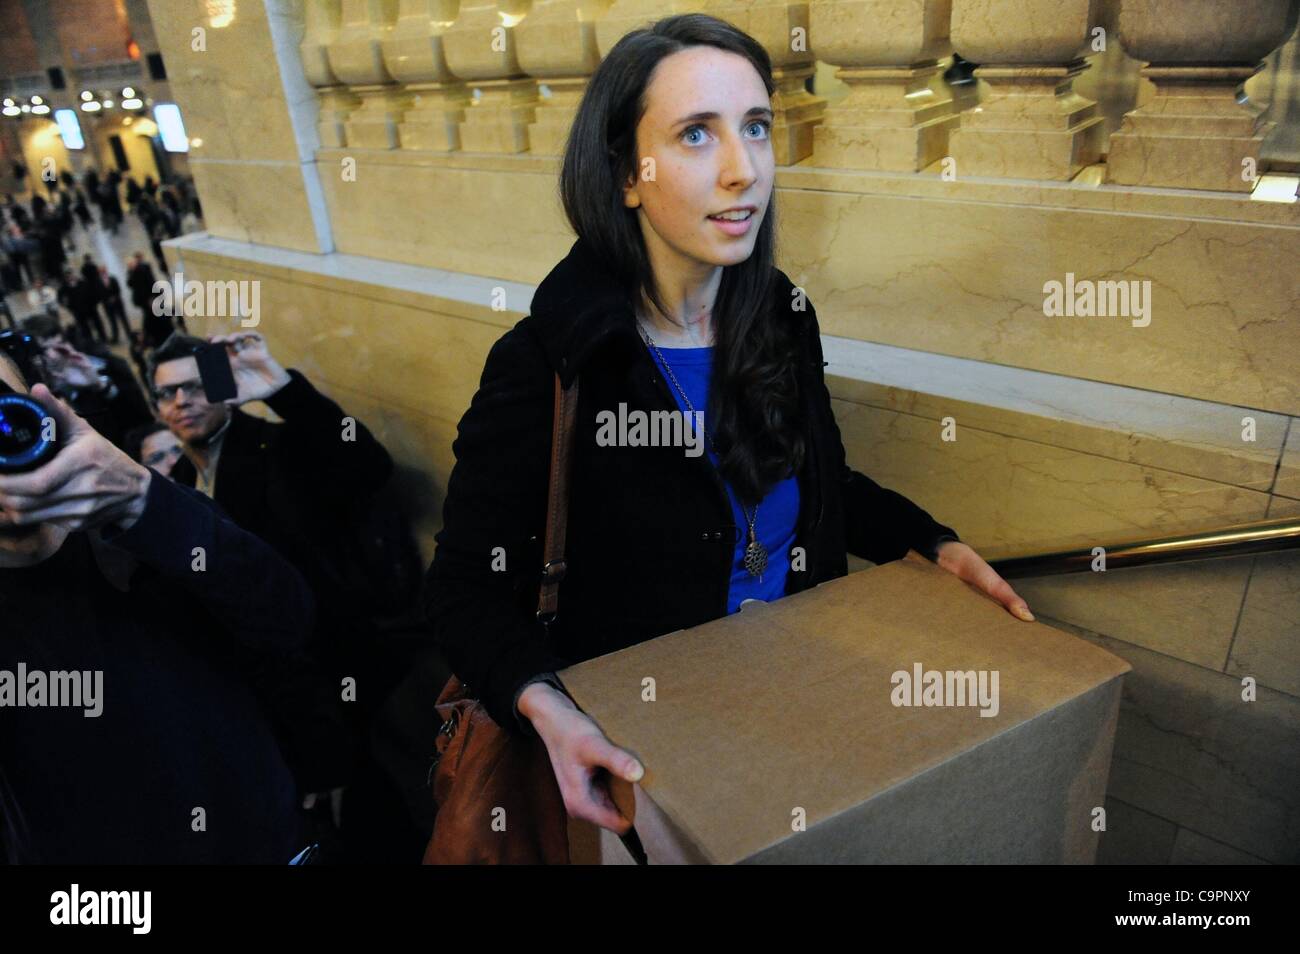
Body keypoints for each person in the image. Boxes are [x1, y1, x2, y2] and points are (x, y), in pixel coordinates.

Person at [423, 13, 1036, 844]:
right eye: (695, 135)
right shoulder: (553, 363)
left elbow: (819, 485)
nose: (743, 170)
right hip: (641, 760)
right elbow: (463, 589)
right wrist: (546, 707)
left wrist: (932, 542)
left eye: (755, 127)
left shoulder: (781, 316)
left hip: (792, 711)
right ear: (627, 174)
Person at [0, 347, 315, 863]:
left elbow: (289, 619)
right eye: (167, 392)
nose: (182, 402)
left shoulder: (147, 523)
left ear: (47, 413)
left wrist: (141, 503)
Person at [150, 332, 420, 858]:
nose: (181, 402)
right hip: (268, 701)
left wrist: (281, 389)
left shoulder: (276, 447)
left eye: (196, 386)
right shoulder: (179, 480)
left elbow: (368, 467)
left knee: (384, 826)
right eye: (167, 393)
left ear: (225, 389)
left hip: (341, 681)